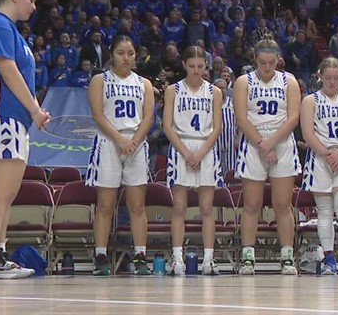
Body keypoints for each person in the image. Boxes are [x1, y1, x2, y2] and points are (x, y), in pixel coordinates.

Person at [0, 0, 50, 280]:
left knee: (6, 194)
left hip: (15, 119)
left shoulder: (10, 30)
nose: (34, 6)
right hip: (2, 117)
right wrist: (34, 109)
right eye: (31, 0)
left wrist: (34, 110)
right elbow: (7, 70)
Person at [85, 34, 156, 276]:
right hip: (109, 141)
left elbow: (149, 116)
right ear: (112, 54)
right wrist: (119, 139)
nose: (126, 58)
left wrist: (134, 140)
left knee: (137, 205)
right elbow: (97, 115)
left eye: (130, 53)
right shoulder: (100, 80)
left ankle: (140, 256)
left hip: (136, 142)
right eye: (121, 53)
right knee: (105, 204)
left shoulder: (144, 84)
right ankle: (100, 256)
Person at [234, 38, 302, 275]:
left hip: (281, 142)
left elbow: (293, 118)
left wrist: (271, 142)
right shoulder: (243, 82)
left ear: (278, 60)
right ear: (255, 60)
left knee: (282, 204)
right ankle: (248, 258)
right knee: (252, 204)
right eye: (262, 62)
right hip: (254, 142)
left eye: (271, 62)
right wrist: (263, 144)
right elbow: (241, 118)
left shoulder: (289, 81)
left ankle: (287, 257)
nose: (267, 67)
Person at [299, 57, 338, 276]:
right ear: (320, 76)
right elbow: (307, 133)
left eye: (336, 78)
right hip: (320, 158)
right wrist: (328, 155)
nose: (332, 82)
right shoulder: (310, 101)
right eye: (328, 78)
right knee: (325, 212)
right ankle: (329, 259)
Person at [163, 45, 223, 275]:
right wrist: (186, 152)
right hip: (181, 147)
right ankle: (177, 258)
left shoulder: (214, 92)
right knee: (179, 207)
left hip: (205, 148)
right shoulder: (173, 90)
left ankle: (209, 259)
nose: (196, 70)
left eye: (200, 66)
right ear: (184, 65)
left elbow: (217, 127)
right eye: (192, 66)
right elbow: (167, 126)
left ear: (206, 65)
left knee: (207, 208)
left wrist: (201, 152)